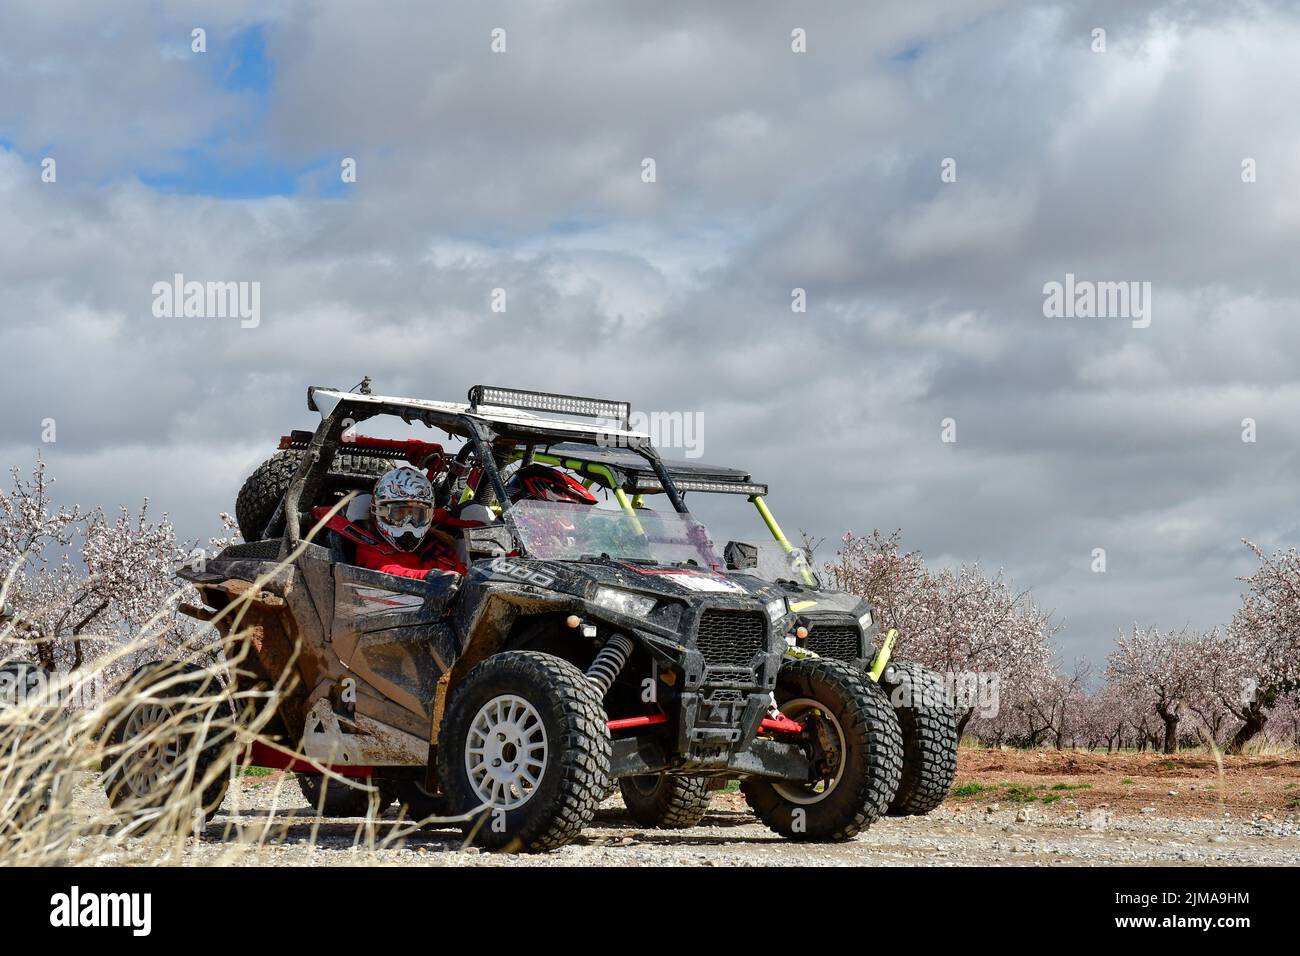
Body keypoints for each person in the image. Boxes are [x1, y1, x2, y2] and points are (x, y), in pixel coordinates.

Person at [349, 466, 465, 580]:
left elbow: (460, 575)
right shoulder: (368, 547)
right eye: (399, 513)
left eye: (416, 514)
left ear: (429, 515)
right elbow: (385, 571)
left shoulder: (436, 548)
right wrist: (428, 576)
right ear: (379, 512)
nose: (408, 523)